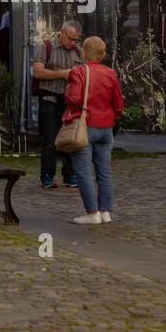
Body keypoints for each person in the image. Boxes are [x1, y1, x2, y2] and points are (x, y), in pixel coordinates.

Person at [63, 36, 124, 225]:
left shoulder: (78, 72)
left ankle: (92, 212)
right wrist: (110, 116)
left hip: (85, 125)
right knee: (104, 172)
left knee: (83, 172)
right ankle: (105, 211)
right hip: (106, 127)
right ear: (103, 53)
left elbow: (73, 99)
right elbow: (119, 105)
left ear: (84, 52)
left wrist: (67, 91)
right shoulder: (110, 73)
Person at [32, 19, 84, 190]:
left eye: (76, 39)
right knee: (50, 139)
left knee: (70, 138)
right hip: (49, 99)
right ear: (62, 32)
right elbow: (37, 72)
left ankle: (70, 174)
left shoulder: (78, 52)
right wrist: (62, 74)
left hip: (70, 101)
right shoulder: (46, 47)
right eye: (71, 38)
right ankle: (47, 175)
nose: (73, 42)